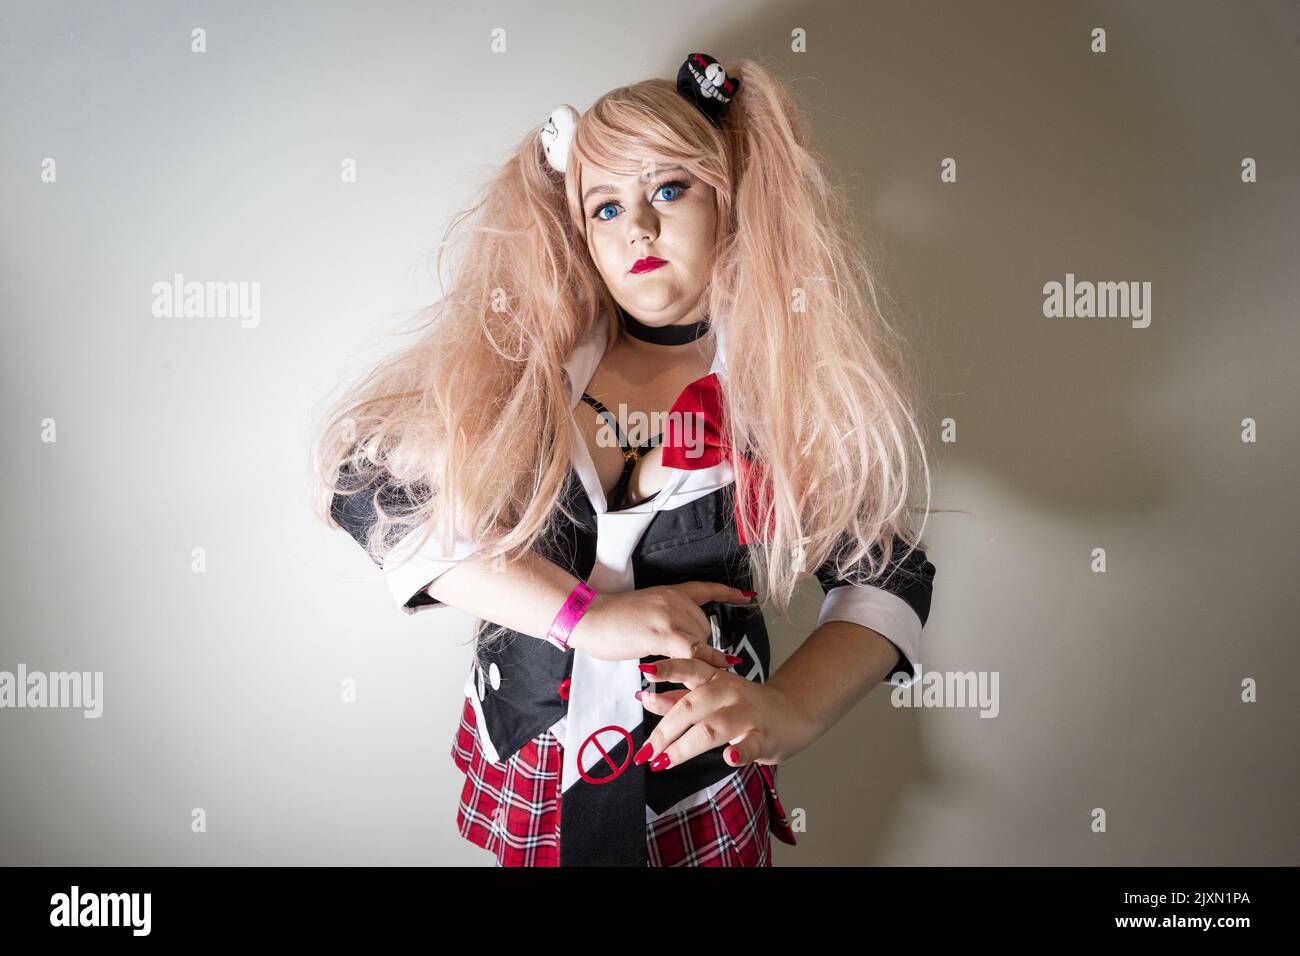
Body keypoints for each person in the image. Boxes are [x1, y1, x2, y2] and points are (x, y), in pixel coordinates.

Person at [312, 52, 937, 867]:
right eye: (605, 206)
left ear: (730, 200)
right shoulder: (524, 369)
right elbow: (369, 491)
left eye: (667, 190)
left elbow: (889, 577)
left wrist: (789, 712)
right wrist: (581, 617)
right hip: (533, 755)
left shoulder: (779, 398)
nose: (636, 226)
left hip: (694, 784)